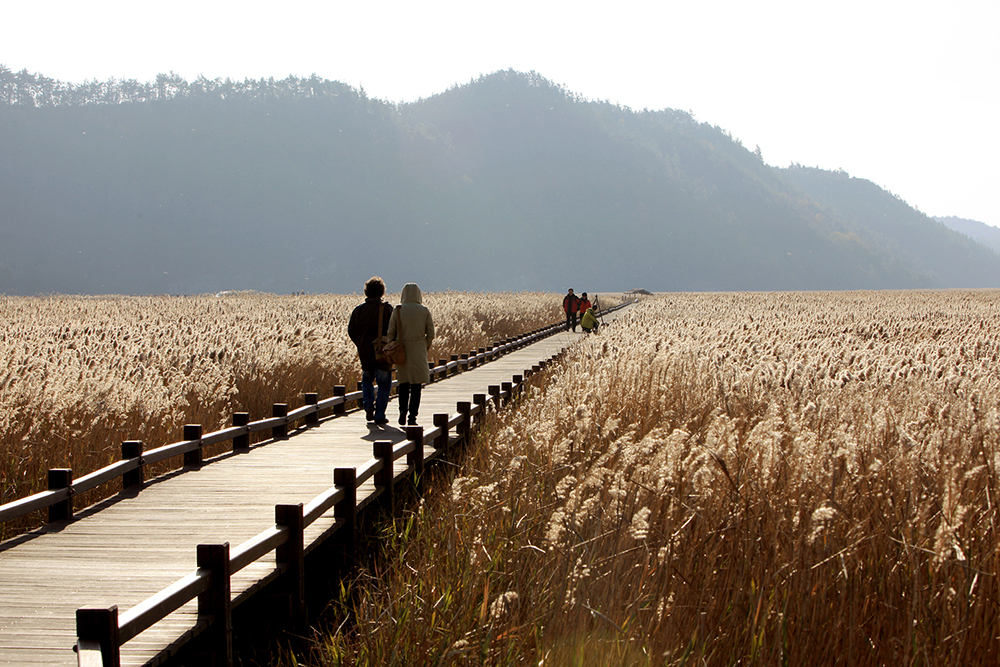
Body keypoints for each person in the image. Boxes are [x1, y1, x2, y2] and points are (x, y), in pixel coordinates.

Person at [348, 276, 393, 425]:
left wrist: (361, 344)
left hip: (365, 353)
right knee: (384, 383)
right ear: (381, 292)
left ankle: (368, 406)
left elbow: (351, 330)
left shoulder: (358, 310)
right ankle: (379, 414)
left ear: (366, 292)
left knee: (367, 379)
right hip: (383, 352)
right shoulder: (387, 309)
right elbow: (394, 330)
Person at [388, 283, 434, 426]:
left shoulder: (398, 310)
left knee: (403, 383)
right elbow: (431, 333)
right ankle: (412, 417)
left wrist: (392, 346)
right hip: (418, 349)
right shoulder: (424, 310)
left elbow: (391, 331)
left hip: (401, 349)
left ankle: (402, 410)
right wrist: (424, 345)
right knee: (416, 385)